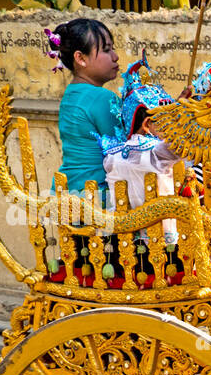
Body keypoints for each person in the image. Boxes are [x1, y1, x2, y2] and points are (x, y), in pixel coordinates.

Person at [102, 52, 181, 244]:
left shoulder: (112, 156)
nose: (169, 128)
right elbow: (186, 142)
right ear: (147, 125)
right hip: (164, 247)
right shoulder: (155, 153)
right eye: (164, 122)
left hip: (122, 244)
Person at [50, 18, 120, 195]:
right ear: (80, 58)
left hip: (68, 190)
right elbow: (125, 151)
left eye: (113, 49)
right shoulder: (103, 98)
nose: (115, 57)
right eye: (106, 50)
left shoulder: (71, 94)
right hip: (98, 196)